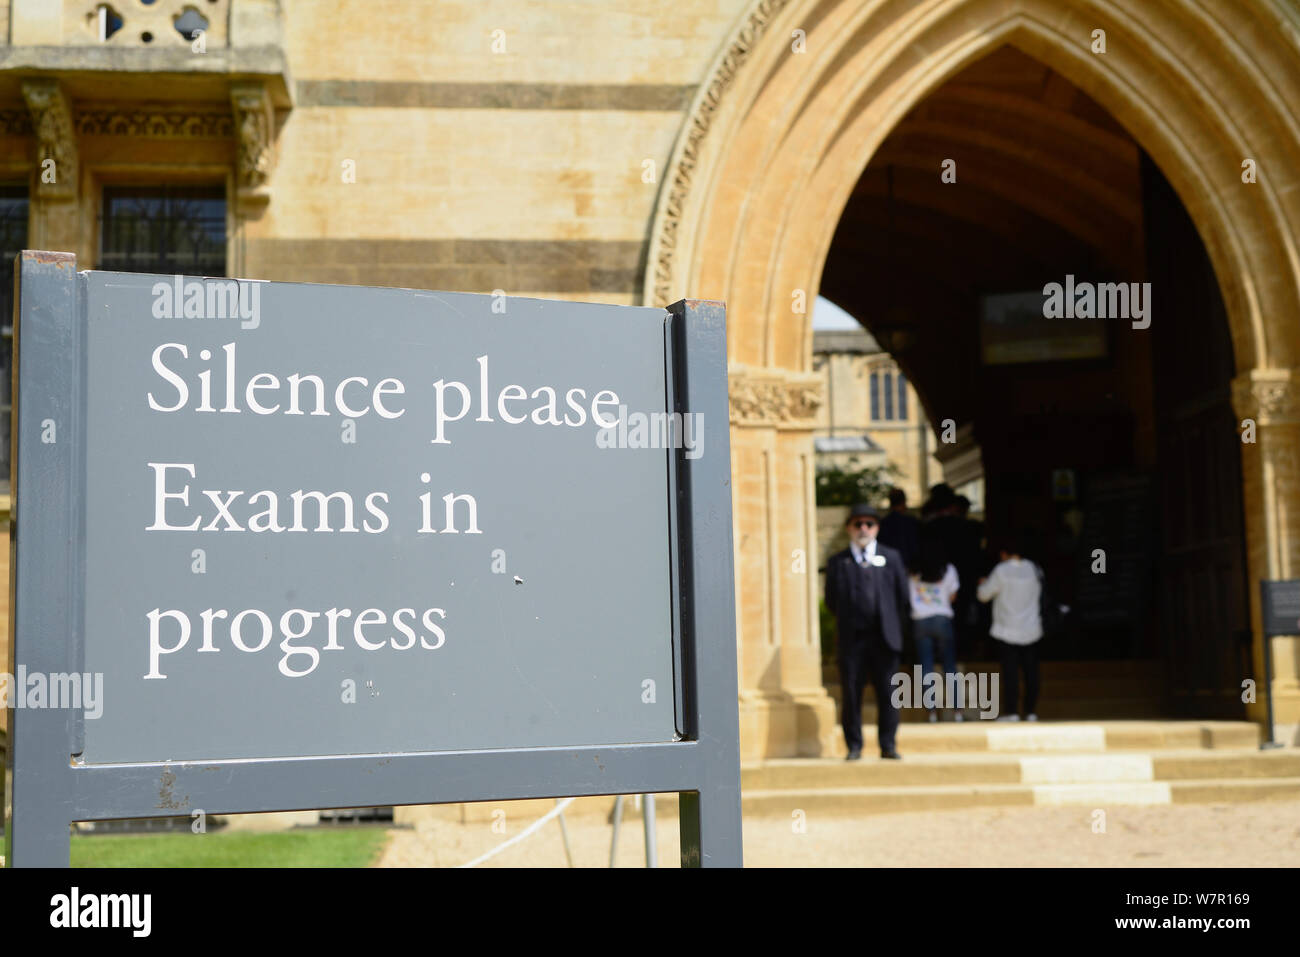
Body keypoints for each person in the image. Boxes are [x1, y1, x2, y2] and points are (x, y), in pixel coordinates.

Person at [825, 504, 911, 760]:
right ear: (849, 528)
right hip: (852, 642)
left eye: (869, 524)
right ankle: (854, 746)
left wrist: (896, 631)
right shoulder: (837, 562)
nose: (863, 528)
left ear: (877, 528)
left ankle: (888, 745)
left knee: (888, 694)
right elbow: (831, 601)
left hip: (885, 639)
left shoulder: (892, 558)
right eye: (858, 524)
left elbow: (902, 599)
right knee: (851, 695)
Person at [976, 536, 1043, 721]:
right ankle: (1030, 711)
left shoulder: (1001, 570)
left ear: (1004, 554)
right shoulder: (1033, 568)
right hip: (1031, 628)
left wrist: (982, 583)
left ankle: (1012, 712)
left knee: (1010, 673)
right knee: (1031, 672)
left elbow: (983, 595)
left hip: (1007, 628)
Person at [909, 537, 961, 722]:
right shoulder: (948, 569)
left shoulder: (913, 572)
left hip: (920, 621)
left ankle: (931, 712)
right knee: (949, 667)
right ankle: (957, 712)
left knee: (926, 667)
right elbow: (953, 596)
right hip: (942, 619)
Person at [877, 487, 921, 571]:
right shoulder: (912, 522)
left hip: (889, 566)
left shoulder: (883, 523)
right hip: (909, 567)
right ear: (904, 502)